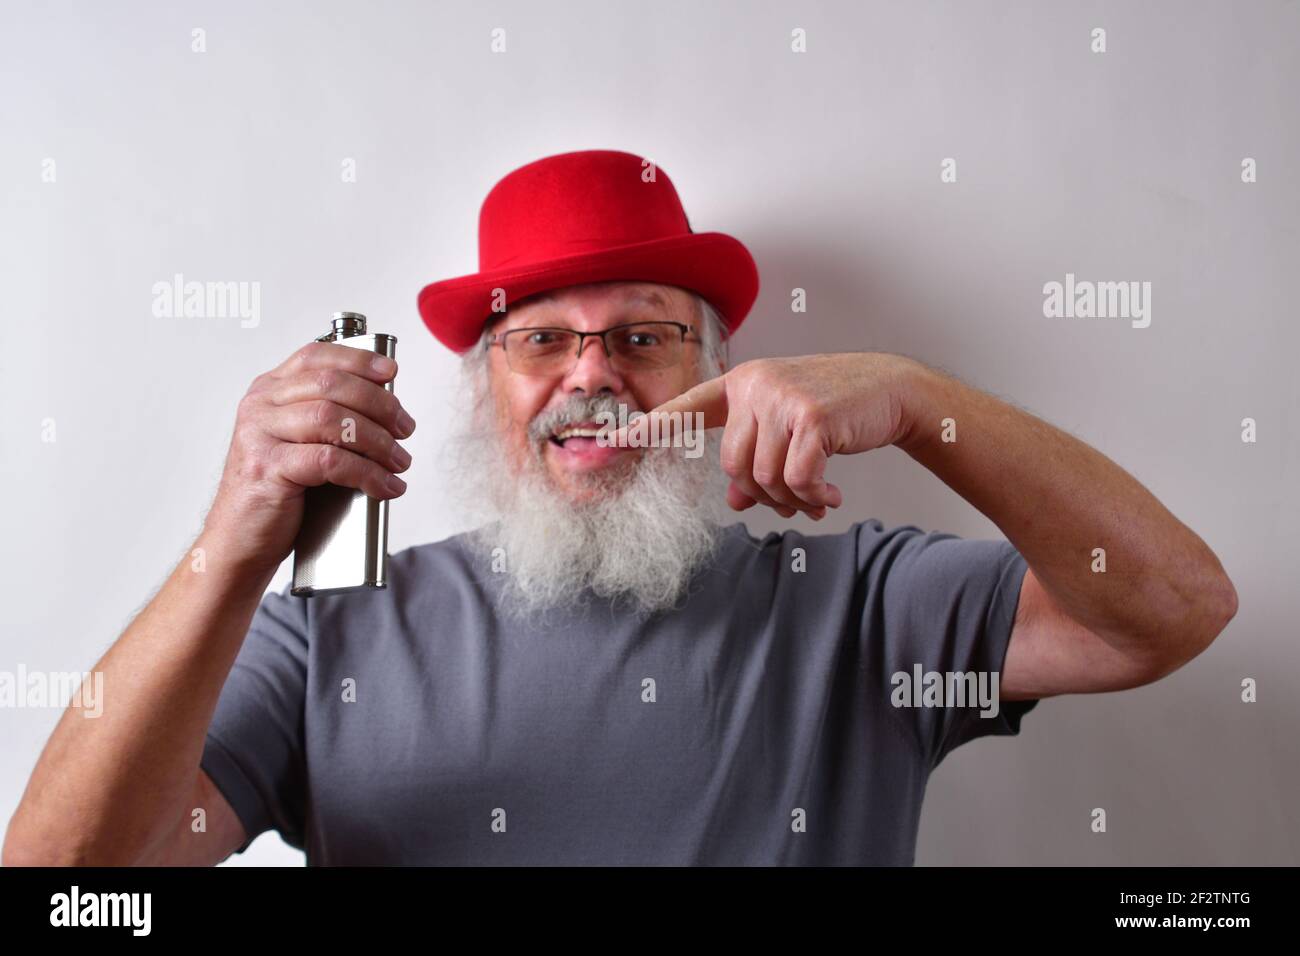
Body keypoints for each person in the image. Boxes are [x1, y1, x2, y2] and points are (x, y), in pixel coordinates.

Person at [3, 150, 1237, 866]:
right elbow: (67, 885)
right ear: (483, 386)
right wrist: (233, 539)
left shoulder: (866, 607)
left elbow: (1171, 610)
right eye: (539, 338)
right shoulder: (331, 624)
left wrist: (918, 400)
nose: (590, 373)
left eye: (643, 335)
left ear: (715, 372)